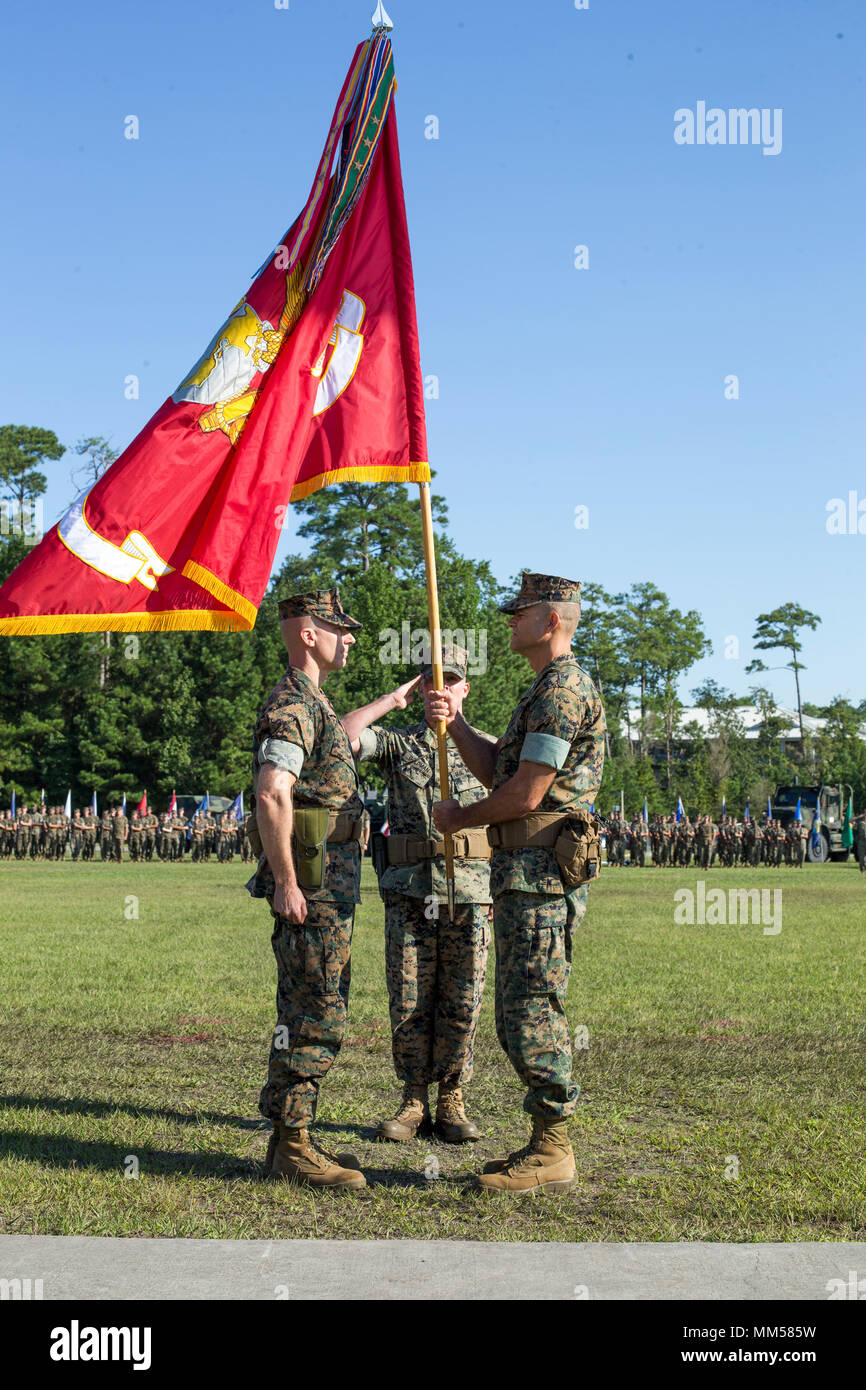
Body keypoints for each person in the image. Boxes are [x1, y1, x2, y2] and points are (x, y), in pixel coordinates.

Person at [430, 572, 605, 1195]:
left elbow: (527, 793)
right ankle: (544, 1140)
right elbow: (499, 764)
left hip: (540, 878)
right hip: (522, 875)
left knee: (531, 1009)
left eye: (520, 612)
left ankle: (554, 1146)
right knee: (519, 1009)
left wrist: (461, 817)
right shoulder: (543, 690)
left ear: (551, 620)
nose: (509, 620)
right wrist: (455, 724)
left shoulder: (562, 690)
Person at [342, 643, 493, 1145]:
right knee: (408, 996)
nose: (440, 689)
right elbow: (344, 736)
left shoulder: (486, 749)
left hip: (469, 893)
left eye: (449, 680)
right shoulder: (398, 745)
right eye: (430, 680)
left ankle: (452, 1096)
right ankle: (412, 1098)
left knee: (462, 998)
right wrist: (392, 700)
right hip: (409, 893)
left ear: (464, 688)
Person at [248, 588, 367, 1191]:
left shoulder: (314, 702)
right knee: (313, 1009)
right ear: (307, 635)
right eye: (337, 628)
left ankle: (290, 1141)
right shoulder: (294, 702)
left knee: (316, 1004)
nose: (348, 638)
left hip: (329, 886)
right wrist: (289, 883)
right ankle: (292, 1147)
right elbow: (273, 791)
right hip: (312, 890)